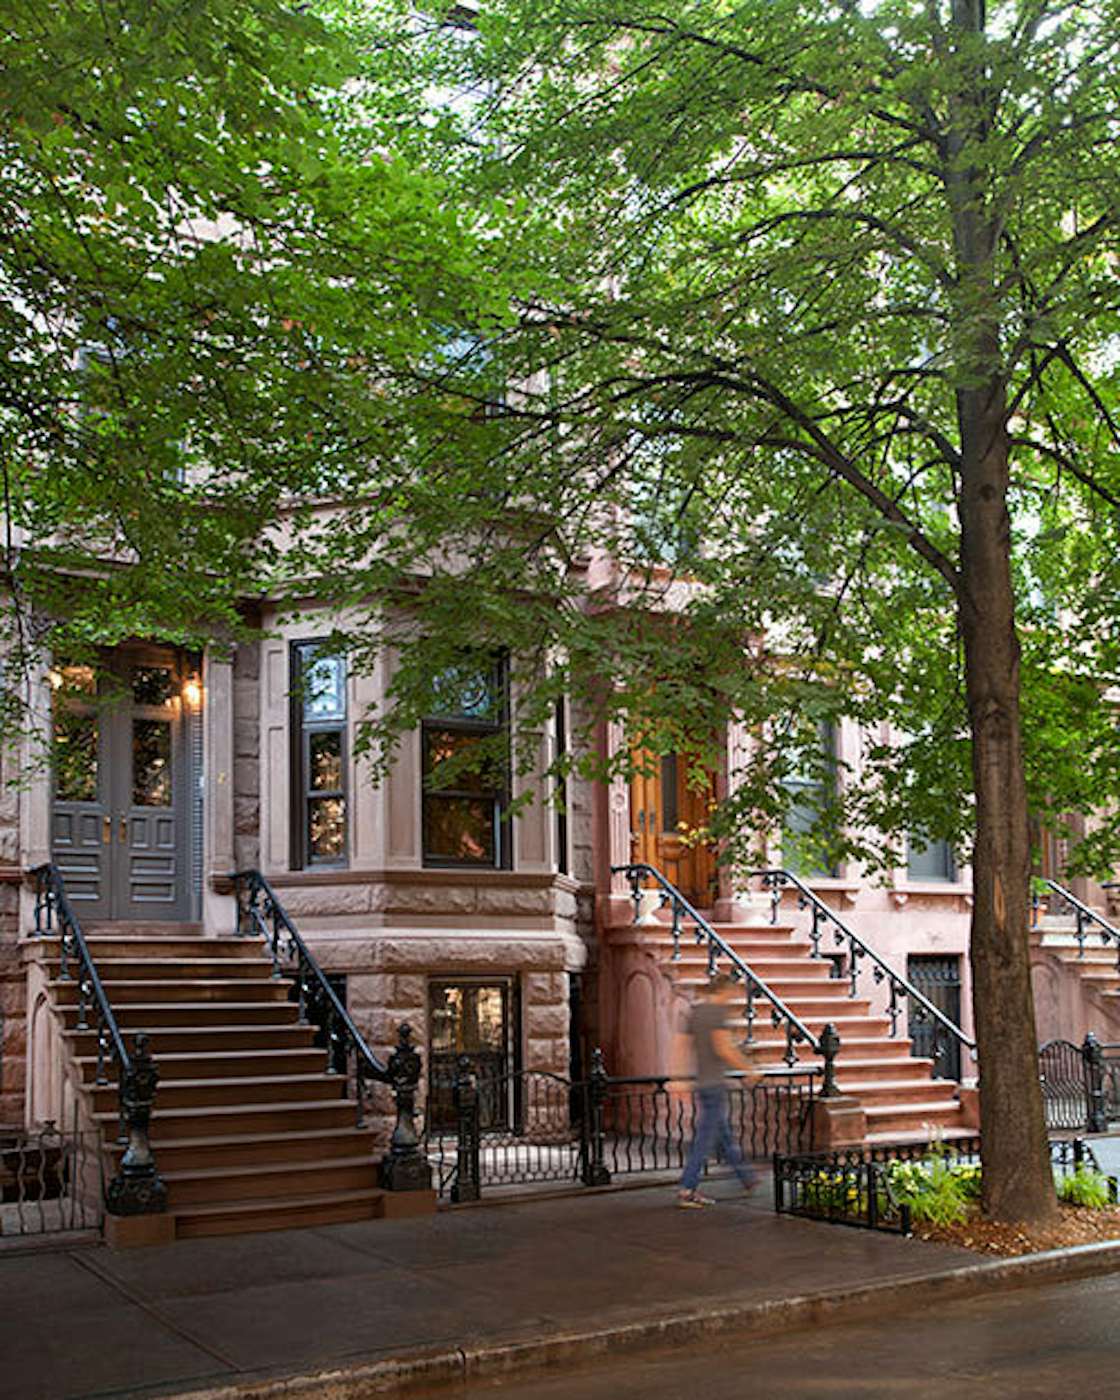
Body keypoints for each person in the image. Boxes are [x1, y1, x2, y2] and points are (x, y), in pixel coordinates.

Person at [677, 973, 760, 1208]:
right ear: (724, 991)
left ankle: (747, 1178)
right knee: (705, 1139)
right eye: (732, 992)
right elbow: (724, 1048)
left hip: (702, 1083)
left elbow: (680, 1046)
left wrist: (679, 1077)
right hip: (714, 1084)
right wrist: (749, 1068)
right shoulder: (717, 1014)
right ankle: (687, 1189)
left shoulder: (696, 1012)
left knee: (722, 1134)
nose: (733, 997)